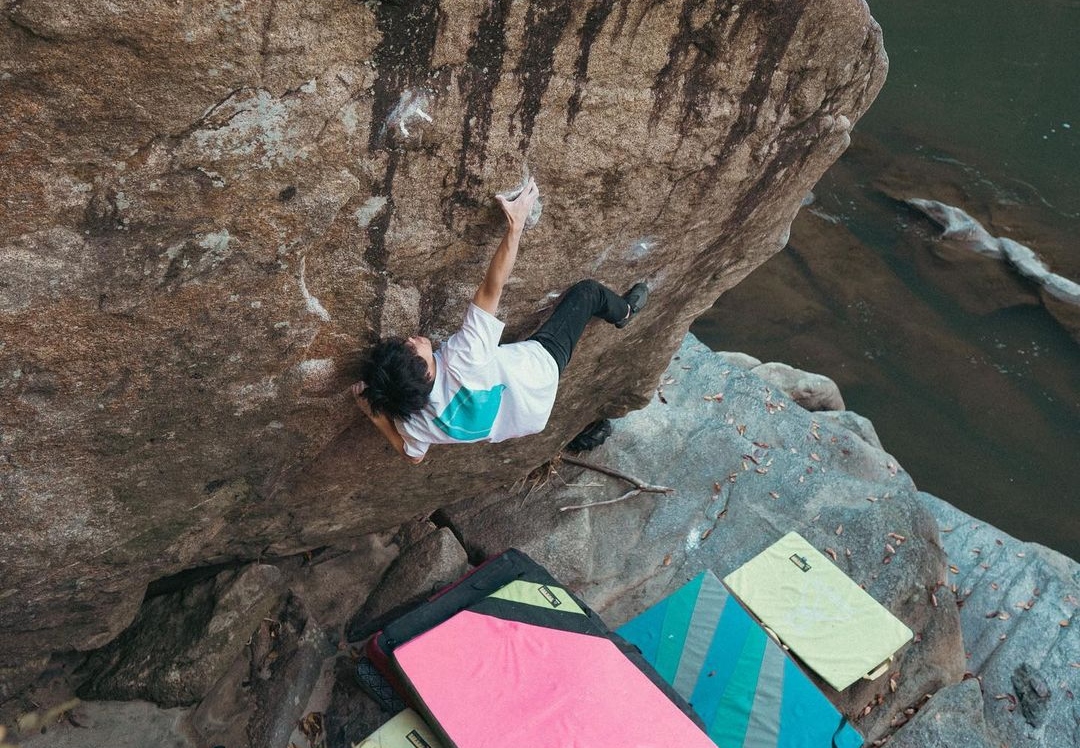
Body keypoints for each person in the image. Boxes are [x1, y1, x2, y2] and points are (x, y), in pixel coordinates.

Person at [352, 178, 648, 464]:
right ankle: (624, 313)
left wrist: (377, 417)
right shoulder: (463, 359)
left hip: (527, 419)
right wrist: (515, 226)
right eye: (413, 351)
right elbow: (492, 288)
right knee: (587, 293)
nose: (411, 340)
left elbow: (414, 456)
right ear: (428, 376)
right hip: (540, 372)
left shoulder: (412, 420)